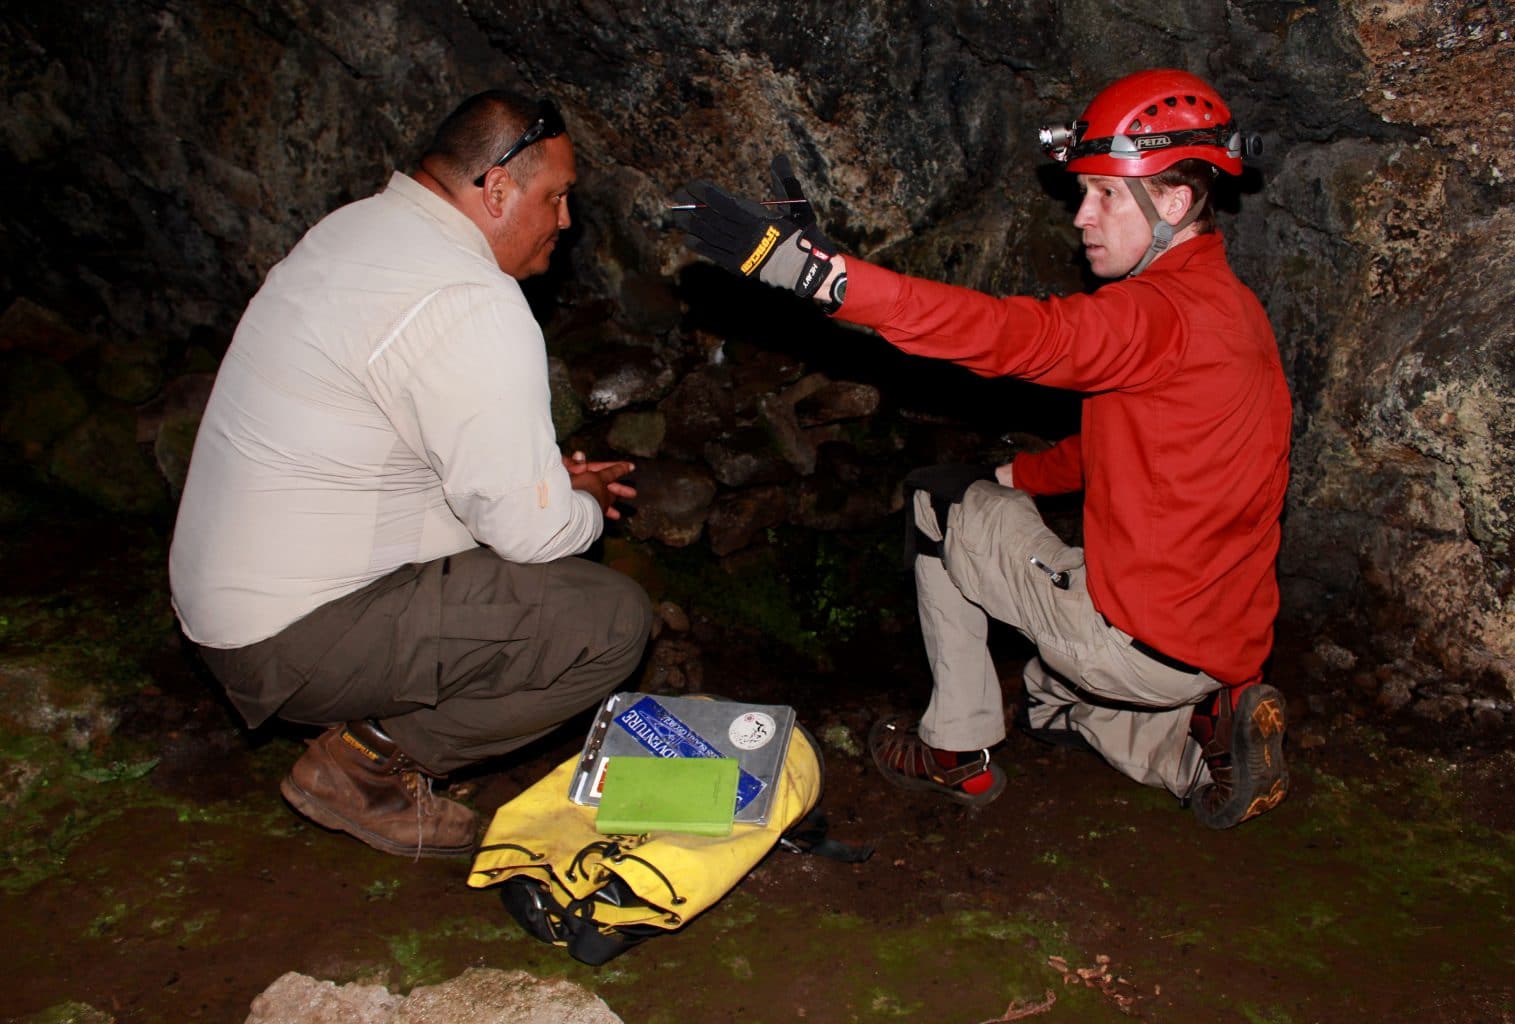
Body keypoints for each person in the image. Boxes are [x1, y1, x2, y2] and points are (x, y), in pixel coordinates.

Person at [672, 69, 1291, 828]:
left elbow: (1012, 335)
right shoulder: (1234, 312)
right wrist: (1012, 474)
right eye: (1083, 193)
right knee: (1048, 695)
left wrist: (826, 279)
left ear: (1172, 202)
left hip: (1140, 637)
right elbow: (1126, 448)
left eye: (1105, 194)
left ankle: (954, 753)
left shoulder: (1151, 315)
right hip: (1222, 639)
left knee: (937, 500)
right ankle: (1202, 746)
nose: (1081, 217)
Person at [169, 91, 652, 858]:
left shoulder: (356, 231)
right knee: (610, 622)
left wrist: (534, 479)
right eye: (556, 197)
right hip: (289, 637)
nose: (565, 221)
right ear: (498, 188)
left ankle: (366, 730)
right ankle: (367, 764)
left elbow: (401, 444)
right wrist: (582, 500)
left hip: (223, 605)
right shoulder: (472, 299)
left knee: (518, 527)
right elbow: (533, 536)